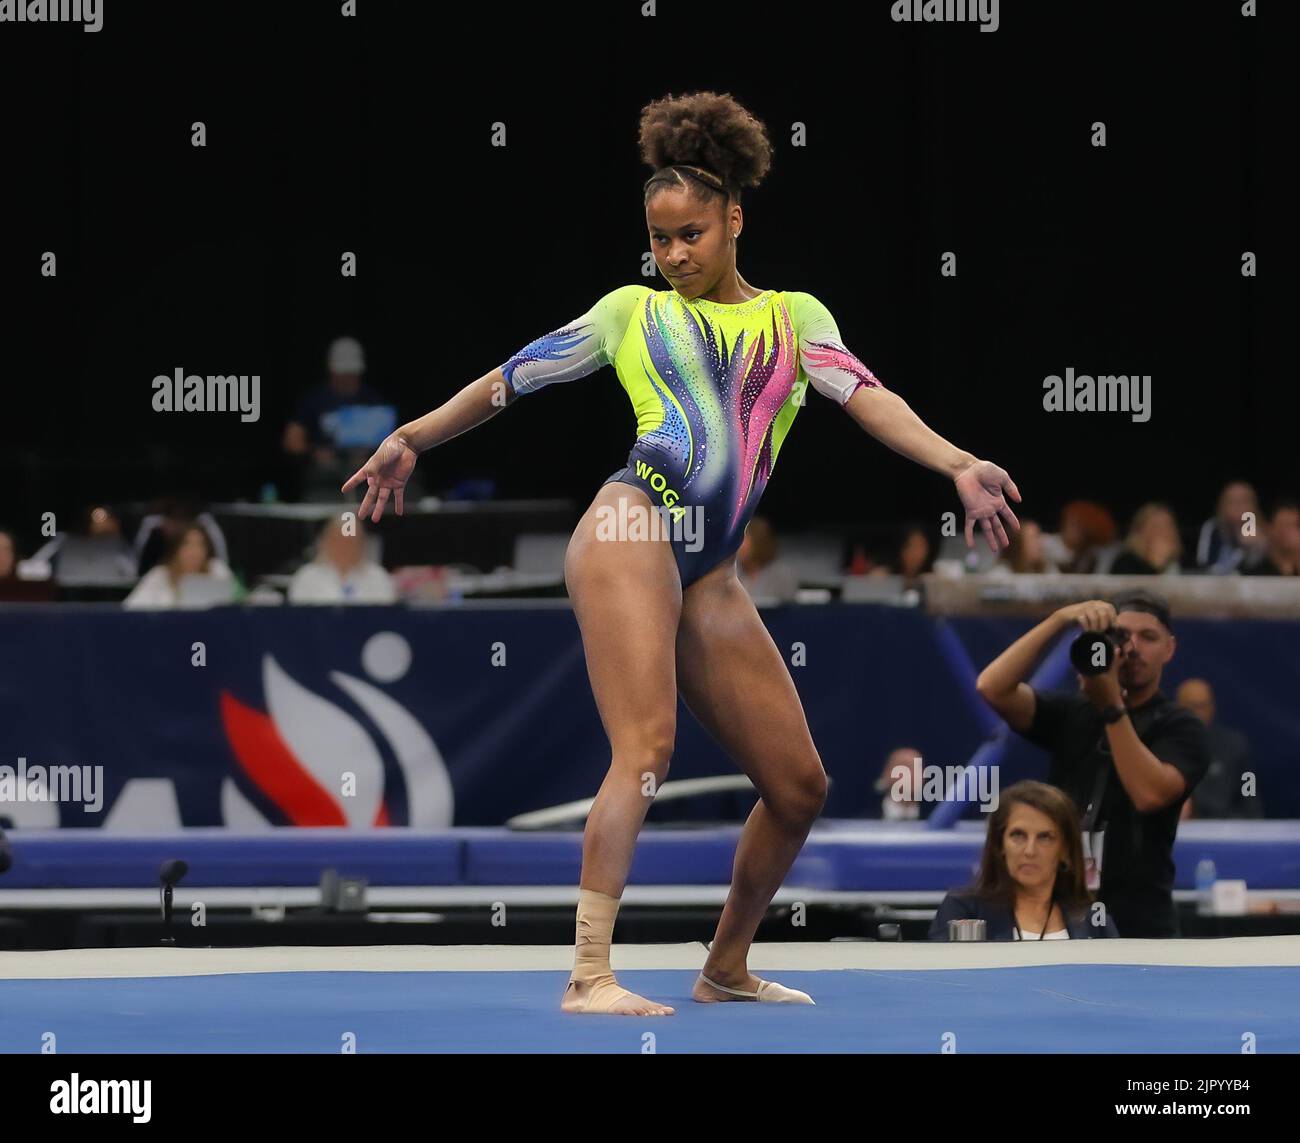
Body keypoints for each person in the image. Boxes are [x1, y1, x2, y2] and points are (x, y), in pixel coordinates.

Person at [343, 90, 1022, 1014]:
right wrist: (413, 437)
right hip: (631, 527)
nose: (674, 256)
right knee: (647, 747)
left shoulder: (794, 320)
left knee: (798, 785)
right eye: (660, 239)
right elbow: (512, 378)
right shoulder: (633, 312)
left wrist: (956, 463)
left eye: (691, 234)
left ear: (735, 219)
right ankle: (588, 972)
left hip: (708, 567)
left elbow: (869, 397)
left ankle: (725, 966)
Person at [975, 589, 1210, 937]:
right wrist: (1060, 620)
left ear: (1169, 648)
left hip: (1140, 923)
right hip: (1064, 917)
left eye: (1148, 637)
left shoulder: (1180, 725)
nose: (1132, 648)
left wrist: (1111, 707)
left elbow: (1149, 794)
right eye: (1122, 636)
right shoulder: (1074, 713)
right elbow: (992, 687)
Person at [929, 781, 1119, 940]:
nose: (1030, 851)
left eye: (1045, 837)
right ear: (1000, 844)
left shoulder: (1095, 921)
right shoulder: (963, 910)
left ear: (1065, 850)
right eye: (1018, 835)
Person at [284, 337, 396, 502]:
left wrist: (373, 455)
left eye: (351, 374)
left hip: (368, 482)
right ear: (332, 370)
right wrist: (315, 452)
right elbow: (291, 441)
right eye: (342, 373)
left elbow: (394, 444)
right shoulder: (314, 401)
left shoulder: (374, 401)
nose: (347, 379)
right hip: (324, 484)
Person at [1175, 678, 1261, 819]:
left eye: (1202, 706)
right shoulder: (1162, 746)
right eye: (1191, 706)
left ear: (1212, 708)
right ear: (1177, 708)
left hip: (1227, 831)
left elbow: (1250, 796)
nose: (1197, 713)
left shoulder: (1236, 746)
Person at [123, 524, 234, 609]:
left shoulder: (217, 570)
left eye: (200, 545)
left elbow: (239, 605)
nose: (194, 552)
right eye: (187, 544)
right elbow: (130, 609)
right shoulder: (159, 575)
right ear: (176, 549)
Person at [287, 521, 397, 604]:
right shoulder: (306, 577)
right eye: (338, 541)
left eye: (351, 542)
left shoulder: (378, 577)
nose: (344, 547)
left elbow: (387, 617)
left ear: (361, 544)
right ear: (325, 542)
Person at [1194, 481, 1263, 574]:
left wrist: (1256, 547)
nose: (1238, 506)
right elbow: (1204, 564)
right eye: (1232, 501)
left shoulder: (1263, 532)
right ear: (1222, 505)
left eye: (1244, 501)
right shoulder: (1212, 528)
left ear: (1253, 505)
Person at [1042, 500, 1118, 574]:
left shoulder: (1092, 554)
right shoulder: (1046, 545)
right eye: (1071, 524)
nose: (1073, 530)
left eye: (1080, 528)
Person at [1109, 502, 1184, 575]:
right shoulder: (1124, 563)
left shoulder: (1181, 562)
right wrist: (1155, 566)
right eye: (1156, 526)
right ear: (1140, 531)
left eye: (1168, 526)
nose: (1164, 532)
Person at [735, 517, 799, 603]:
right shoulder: (732, 574)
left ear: (758, 543)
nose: (738, 547)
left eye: (743, 541)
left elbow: (789, 609)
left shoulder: (781, 575)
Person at [1240, 499, 1300, 576]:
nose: (1290, 532)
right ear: (1269, 528)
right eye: (1283, 525)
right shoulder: (1255, 568)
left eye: (1295, 525)